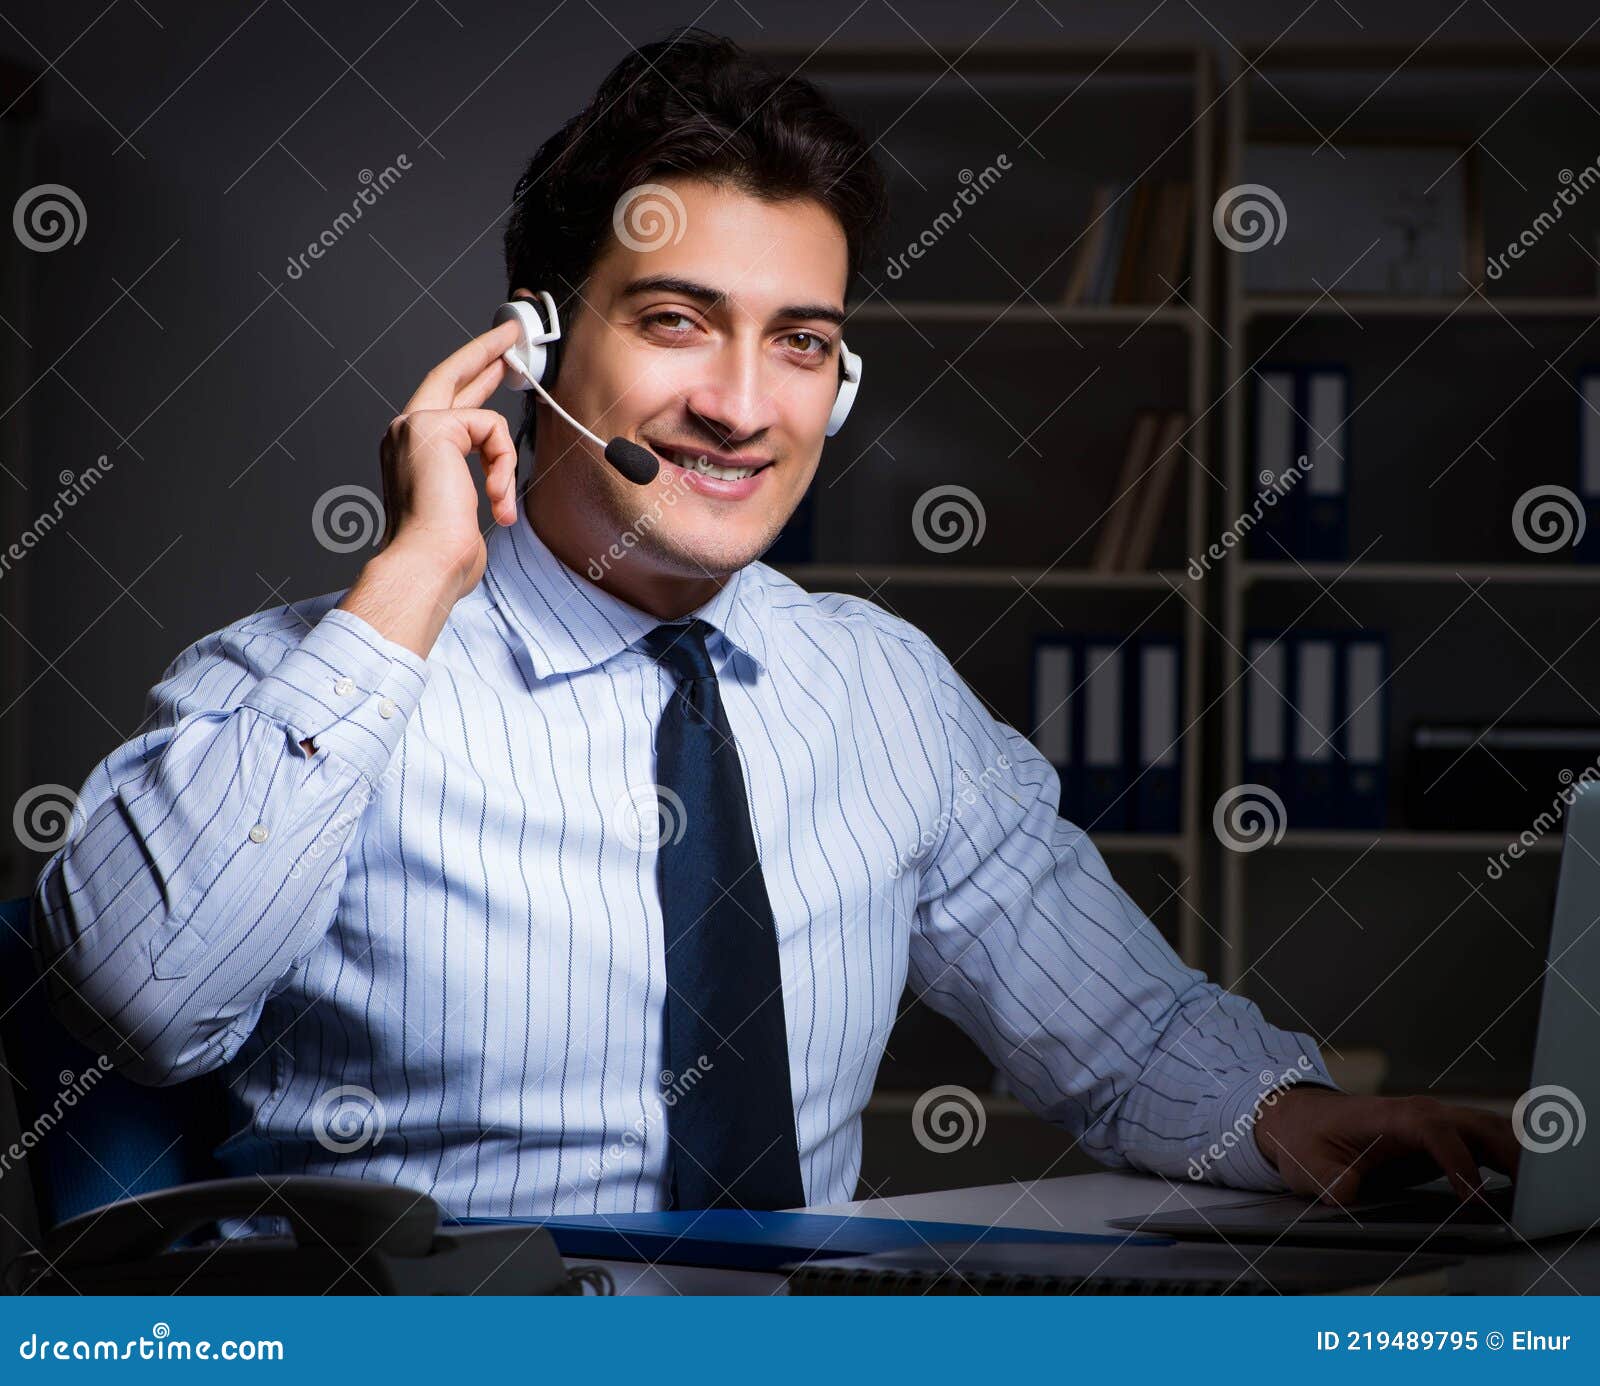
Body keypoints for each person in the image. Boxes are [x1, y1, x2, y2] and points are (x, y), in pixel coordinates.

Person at [31, 27, 1516, 1218]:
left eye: (800, 343)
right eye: (676, 321)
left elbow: (1121, 1033)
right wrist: (415, 575)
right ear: (530, 345)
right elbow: (143, 1001)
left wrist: (1298, 1118)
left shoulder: (880, 690)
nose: (744, 407)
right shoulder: (307, 679)